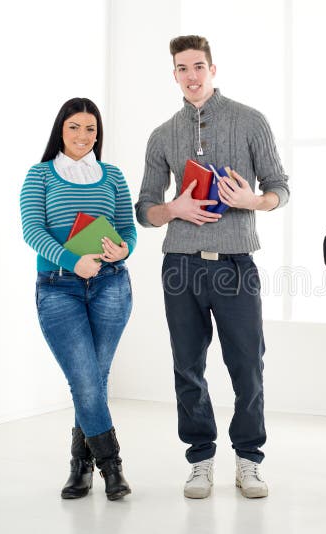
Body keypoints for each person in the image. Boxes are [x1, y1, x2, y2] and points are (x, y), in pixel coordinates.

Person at [135, 35, 289, 500]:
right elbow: (144, 209)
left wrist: (253, 201)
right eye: (182, 68)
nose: (192, 76)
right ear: (174, 74)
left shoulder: (250, 121)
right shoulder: (162, 134)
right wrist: (173, 209)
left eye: (199, 66)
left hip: (236, 264)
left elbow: (280, 187)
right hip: (180, 266)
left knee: (247, 365)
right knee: (188, 366)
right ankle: (200, 460)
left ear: (213, 69)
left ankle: (249, 460)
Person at [20, 97, 137, 501]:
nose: (83, 136)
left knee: (93, 380)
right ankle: (111, 466)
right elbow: (32, 230)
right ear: (60, 130)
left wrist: (124, 250)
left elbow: (127, 229)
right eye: (75, 127)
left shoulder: (113, 176)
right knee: (85, 380)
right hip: (58, 287)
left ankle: (79, 466)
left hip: (111, 285)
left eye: (91, 129)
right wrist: (73, 261)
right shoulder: (40, 176)